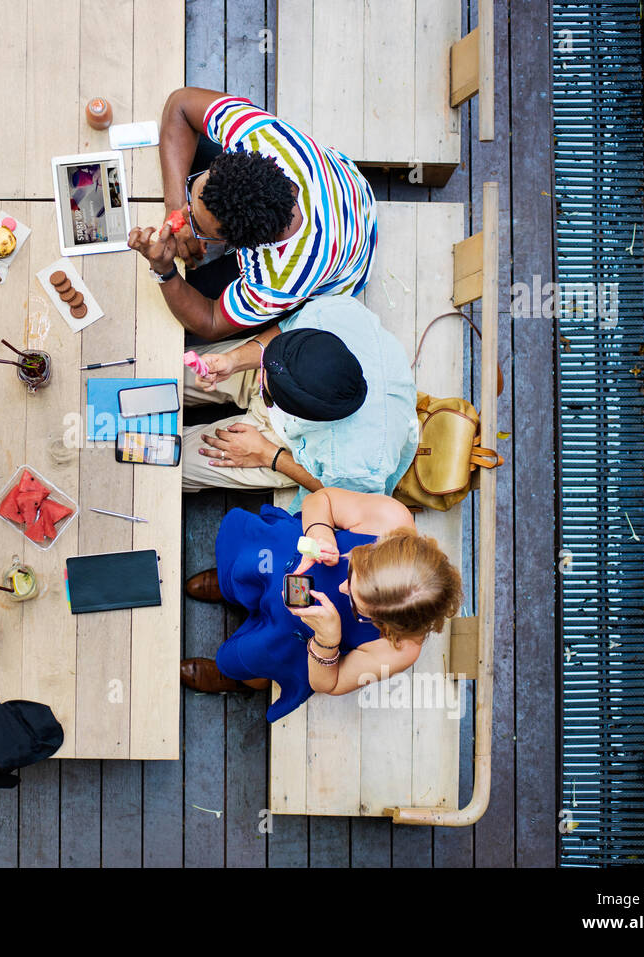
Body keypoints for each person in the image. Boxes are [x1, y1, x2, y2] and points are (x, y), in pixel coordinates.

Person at [180, 487, 462, 722]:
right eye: (352, 568)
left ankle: (242, 679)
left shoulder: (400, 650)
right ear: (382, 544)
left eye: (354, 605)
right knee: (242, 568)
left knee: (248, 658)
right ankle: (234, 586)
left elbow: (331, 683)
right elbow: (320, 500)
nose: (342, 587)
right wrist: (320, 533)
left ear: (387, 625)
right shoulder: (390, 517)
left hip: (292, 639)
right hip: (278, 558)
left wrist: (327, 641)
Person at [127, 87, 377, 342]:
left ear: (238, 246)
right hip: (348, 190)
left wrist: (164, 269)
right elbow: (180, 103)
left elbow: (210, 321)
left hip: (345, 271)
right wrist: (175, 206)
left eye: (198, 225)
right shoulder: (260, 137)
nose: (183, 213)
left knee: (188, 316)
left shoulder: (278, 278)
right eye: (194, 193)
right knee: (190, 145)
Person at [181, 294, 418, 499]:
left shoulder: (358, 466)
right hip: (284, 369)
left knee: (177, 462)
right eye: (265, 372)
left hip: (285, 447)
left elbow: (337, 495)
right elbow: (284, 330)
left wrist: (268, 455)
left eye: (268, 392)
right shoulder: (334, 314)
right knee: (175, 371)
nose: (257, 378)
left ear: (300, 415)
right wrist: (234, 360)